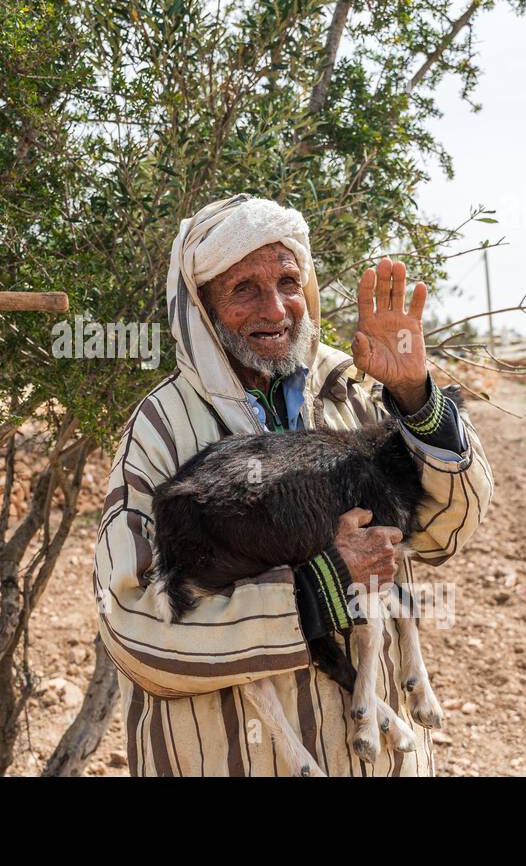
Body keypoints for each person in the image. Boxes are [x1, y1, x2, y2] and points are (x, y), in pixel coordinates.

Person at [94, 194, 493, 776]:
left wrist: (414, 396)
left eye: (287, 280)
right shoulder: (162, 428)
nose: (275, 308)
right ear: (201, 305)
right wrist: (315, 591)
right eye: (243, 289)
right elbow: (136, 630)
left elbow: (444, 533)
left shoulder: (356, 388)